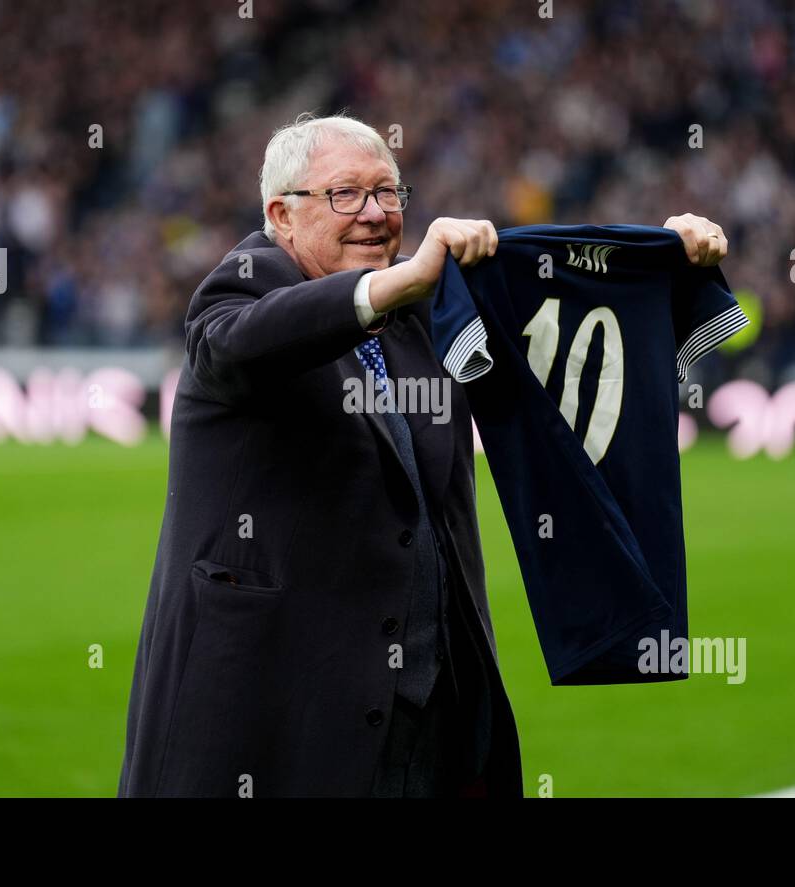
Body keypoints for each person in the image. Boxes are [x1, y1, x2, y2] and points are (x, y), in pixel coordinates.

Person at [117, 112, 728, 798]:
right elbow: (237, 344)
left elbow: (564, 339)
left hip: (428, 728)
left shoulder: (427, 314)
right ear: (281, 215)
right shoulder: (239, 291)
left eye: (388, 193)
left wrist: (654, 257)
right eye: (346, 194)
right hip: (279, 723)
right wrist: (397, 284)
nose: (375, 214)